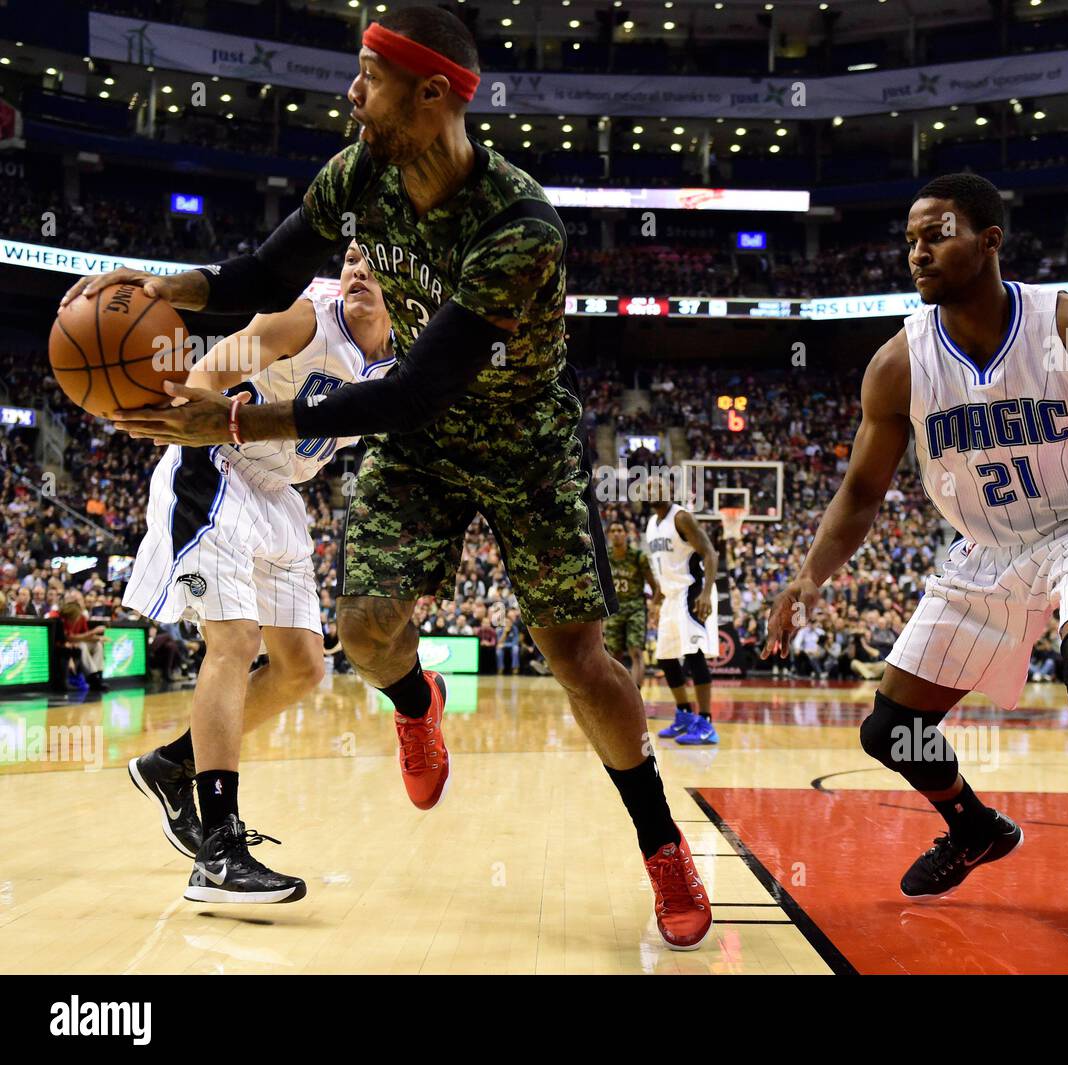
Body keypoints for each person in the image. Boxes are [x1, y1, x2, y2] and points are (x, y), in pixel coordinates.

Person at [86, 6, 709, 947]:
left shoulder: (519, 225)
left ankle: (662, 844)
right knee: (364, 634)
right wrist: (178, 289)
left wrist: (241, 416)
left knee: (580, 660)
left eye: (368, 79)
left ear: (433, 94)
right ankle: (416, 702)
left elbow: (414, 388)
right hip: (420, 444)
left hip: (522, 441)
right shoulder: (359, 175)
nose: (349, 93)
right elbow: (263, 270)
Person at [763, 173, 1068, 975]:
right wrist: (810, 574)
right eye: (911, 238)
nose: (918, 250)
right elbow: (861, 489)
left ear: (990, 241)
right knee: (891, 732)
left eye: (938, 233)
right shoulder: (900, 366)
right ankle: (975, 826)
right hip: (982, 556)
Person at [118, 242, 395, 903]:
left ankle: (172, 763)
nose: (357, 271)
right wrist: (182, 421)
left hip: (279, 493)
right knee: (236, 641)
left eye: (375, 263)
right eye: (352, 258)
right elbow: (214, 372)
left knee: (304, 665)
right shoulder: (306, 318)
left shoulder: (406, 359)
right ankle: (218, 850)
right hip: (218, 464)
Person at [646, 479, 720, 746]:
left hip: (691, 592)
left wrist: (706, 593)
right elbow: (663, 567)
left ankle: (707, 723)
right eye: (650, 488)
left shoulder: (682, 518)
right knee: (665, 659)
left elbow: (710, 554)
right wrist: (656, 599)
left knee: (694, 656)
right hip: (669, 598)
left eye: (659, 487)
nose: (654, 492)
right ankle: (685, 715)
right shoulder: (651, 525)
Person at [602, 519, 659, 689]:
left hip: (635, 609)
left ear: (626, 534)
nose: (617, 533)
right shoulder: (605, 557)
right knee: (614, 655)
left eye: (620, 530)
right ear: (609, 535)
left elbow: (656, 587)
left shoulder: (638, 557)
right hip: (614, 609)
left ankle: (636, 695)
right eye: (613, 530)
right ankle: (618, 694)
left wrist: (653, 607)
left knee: (636, 652)